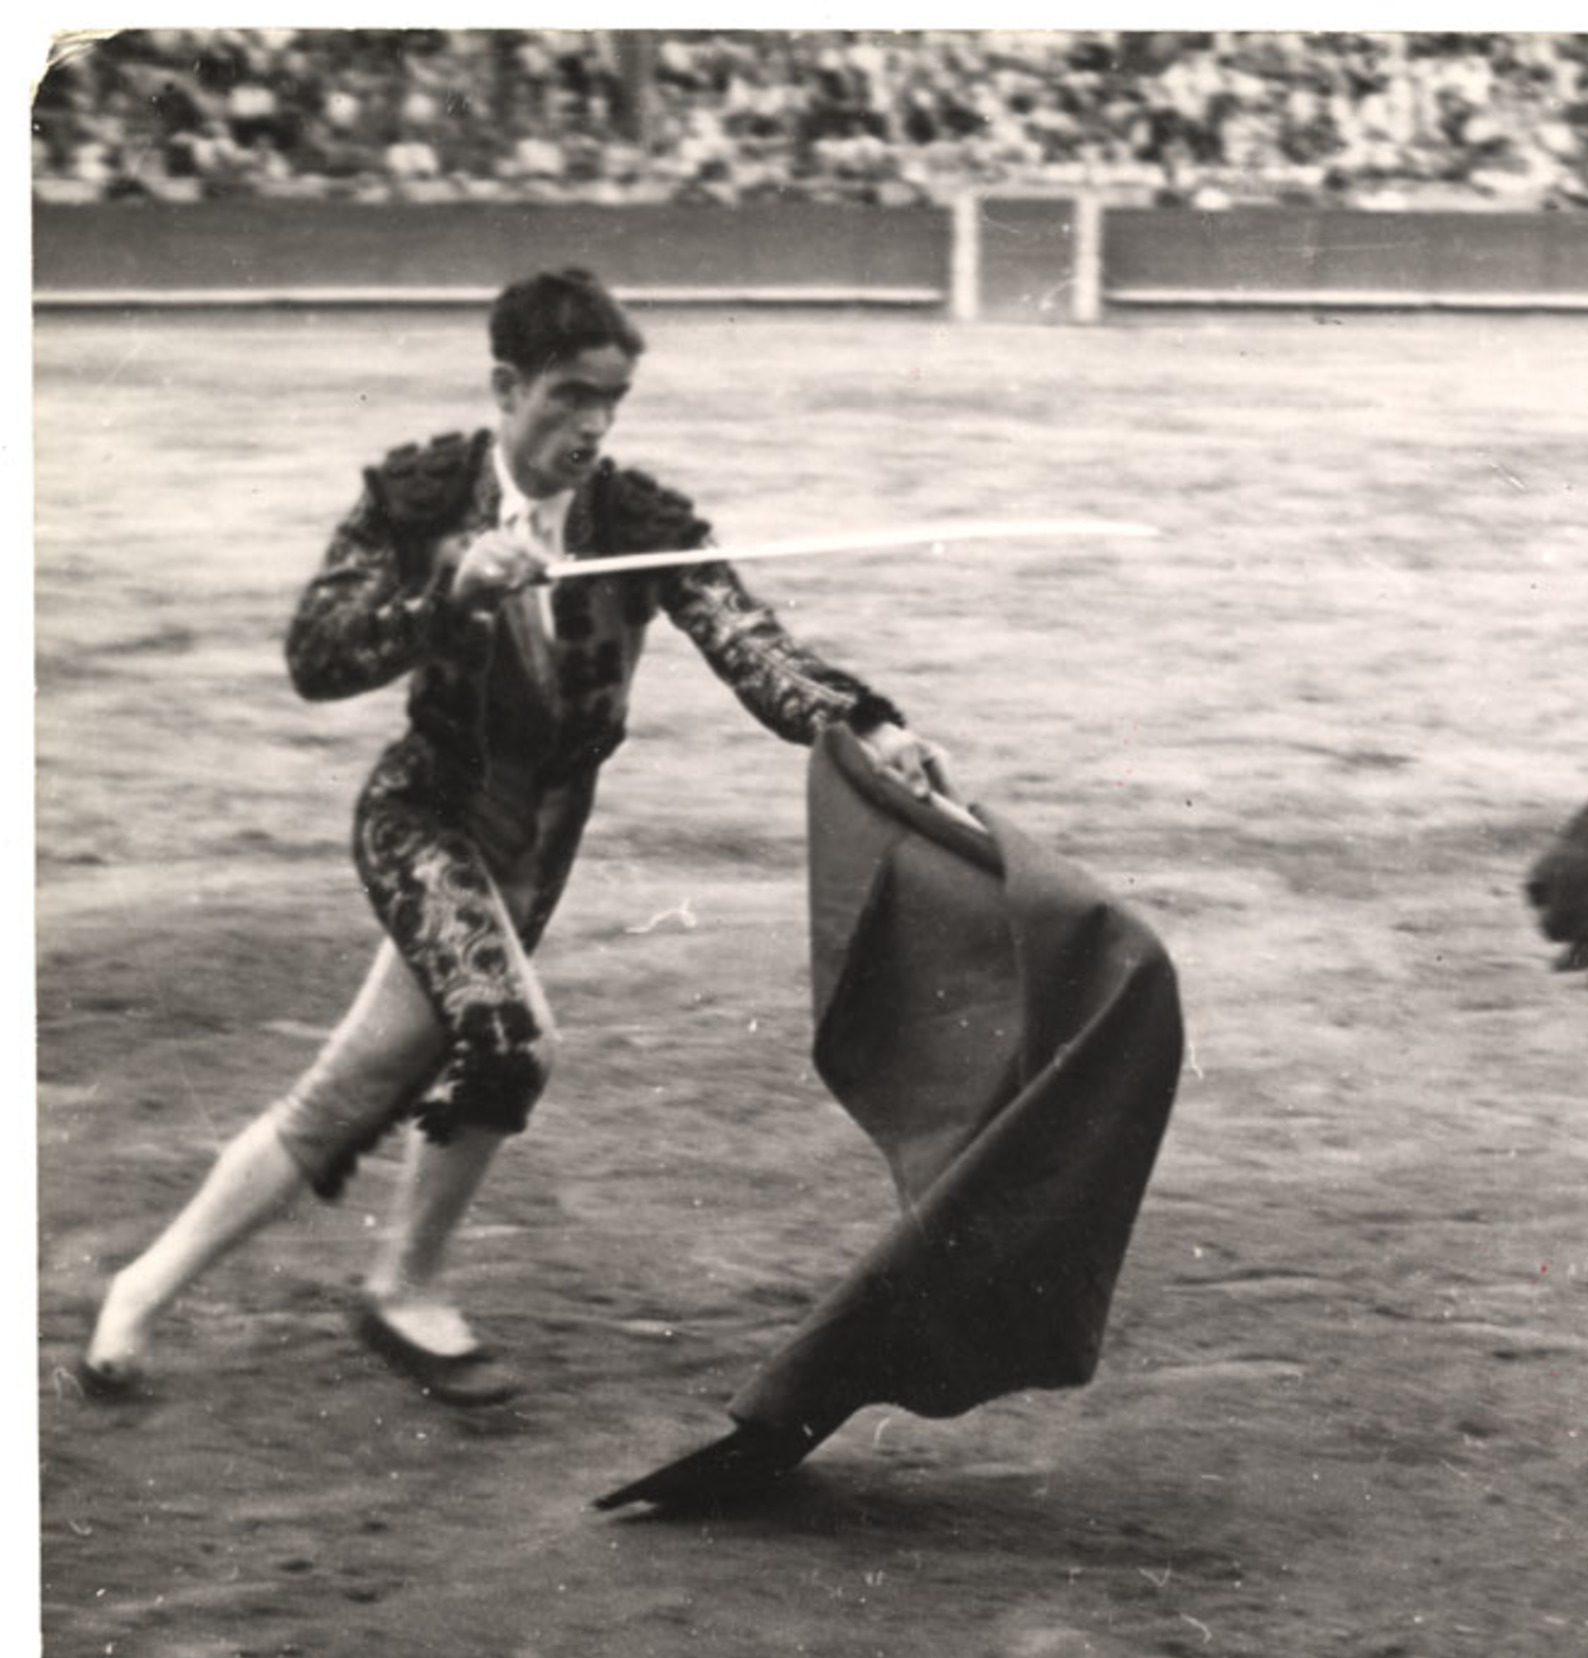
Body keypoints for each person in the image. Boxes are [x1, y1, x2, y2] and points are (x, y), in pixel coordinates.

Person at [76, 265, 952, 1407]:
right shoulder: (421, 498)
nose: (591, 427)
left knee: (347, 1094)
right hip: (425, 820)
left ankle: (136, 1294)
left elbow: (752, 646)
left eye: (611, 403)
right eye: (568, 399)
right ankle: (402, 1288)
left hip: (533, 850)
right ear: (507, 385)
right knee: (507, 1034)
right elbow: (317, 655)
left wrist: (863, 724)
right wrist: (450, 595)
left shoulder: (637, 521)